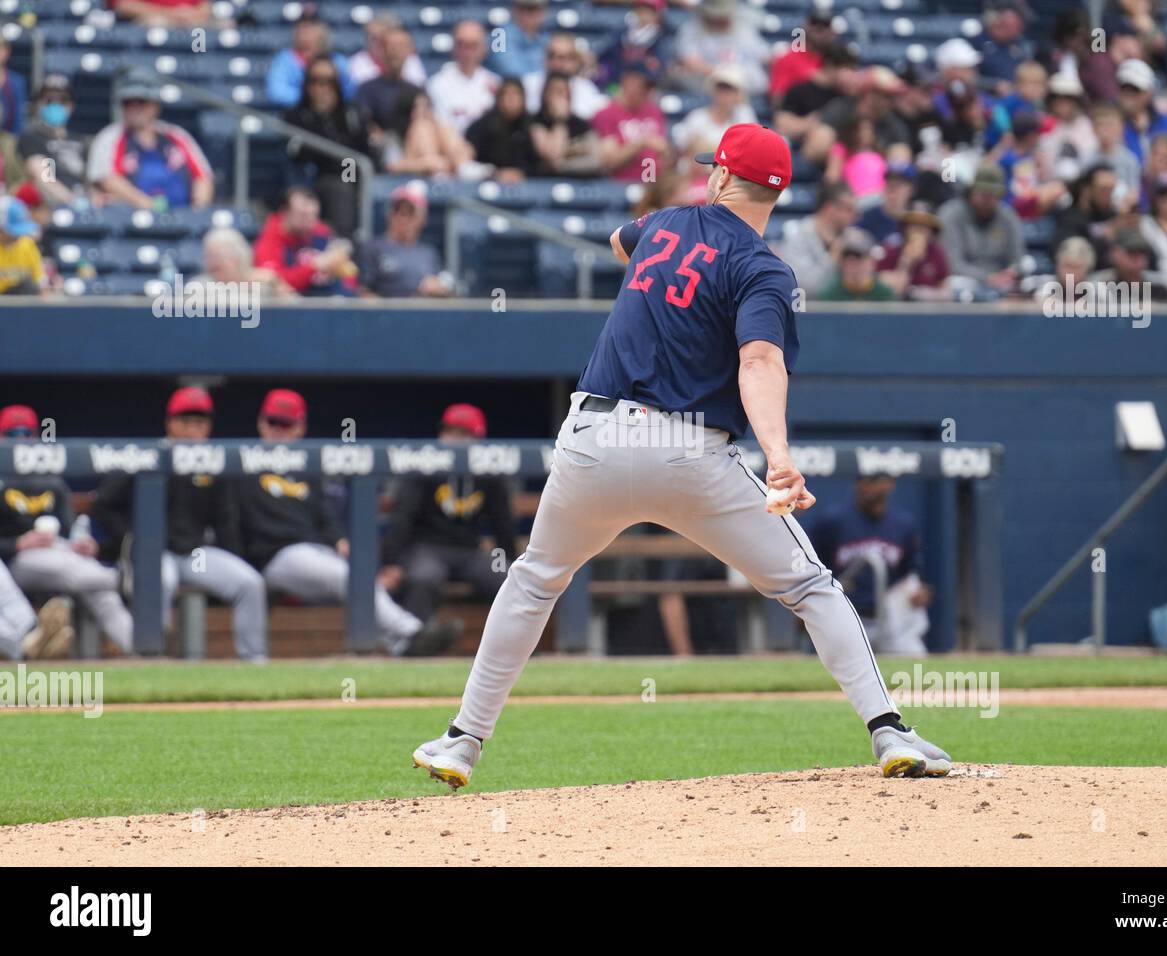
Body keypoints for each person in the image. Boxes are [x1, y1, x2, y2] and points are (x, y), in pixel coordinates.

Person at [411, 123, 952, 789]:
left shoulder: (666, 222)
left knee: (534, 580)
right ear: (776, 196)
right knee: (810, 587)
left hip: (595, 439)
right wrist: (778, 452)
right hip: (689, 452)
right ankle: (888, 731)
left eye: (713, 170)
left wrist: (664, 271)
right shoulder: (763, 270)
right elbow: (759, 360)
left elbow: (621, 243)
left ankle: (461, 741)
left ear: (722, 177)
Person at [225, 390, 439, 657]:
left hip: (313, 553)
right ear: (260, 423)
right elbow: (229, 522)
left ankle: (402, 644)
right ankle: (410, 631)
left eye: (286, 424)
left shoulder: (307, 468)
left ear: (300, 428)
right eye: (273, 423)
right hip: (274, 557)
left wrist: (339, 540)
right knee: (345, 576)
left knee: (355, 574)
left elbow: (325, 517)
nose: (278, 431)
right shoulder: (240, 465)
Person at [91, 388, 270, 662]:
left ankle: (255, 660)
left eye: (199, 423)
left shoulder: (211, 463)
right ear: (170, 423)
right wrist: (130, 539)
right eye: (185, 421)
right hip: (155, 553)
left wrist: (232, 557)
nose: (192, 430)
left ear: (208, 427)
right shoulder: (146, 456)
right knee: (161, 578)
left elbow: (225, 520)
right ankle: (150, 657)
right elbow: (104, 505)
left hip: (194, 555)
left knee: (249, 582)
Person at [0, 405, 134, 656]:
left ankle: (143, 653)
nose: (20, 441)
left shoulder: (51, 480)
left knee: (102, 594)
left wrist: (81, 542)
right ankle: (123, 580)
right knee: (73, 573)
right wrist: (18, 544)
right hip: (14, 561)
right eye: (12, 435)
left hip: (57, 552)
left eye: (25, 434)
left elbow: (71, 529)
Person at [380, 404, 517, 642]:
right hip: (427, 548)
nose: (454, 440)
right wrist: (391, 561)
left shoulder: (489, 472)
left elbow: (502, 523)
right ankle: (413, 642)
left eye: (463, 434)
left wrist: (512, 562)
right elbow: (403, 518)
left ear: (477, 439)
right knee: (424, 577)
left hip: (470, 551)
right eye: (449, 432)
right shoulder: (424, 466)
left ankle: (513, 644)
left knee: (506, 579)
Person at [808, 475, 932, 656]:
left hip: (891, 616)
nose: (866, 487)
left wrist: (921, 591)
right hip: (846, 613)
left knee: (913, 664)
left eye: (874, 481)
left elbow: (910, 572)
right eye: (862, 481)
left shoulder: (903, 524)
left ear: (889, 485)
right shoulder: (833, 521)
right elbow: (812, 567)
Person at [283, 55, 380, 238]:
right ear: (307, 84)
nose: (322, 88)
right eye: (316, 81)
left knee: (349, 177)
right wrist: (320, 118)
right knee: (340, 187)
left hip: (349, 173)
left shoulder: (351, 114)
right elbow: (298, 154)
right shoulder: (297, 115)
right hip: (314, 177)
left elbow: (361, 151)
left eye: (329, 82)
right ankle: (343, 242)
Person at [87, 73, 213, 210]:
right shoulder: (110, 136)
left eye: (141, 102)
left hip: (183, 215)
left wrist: (198, 209)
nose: (135, 108)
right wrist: (145, 203)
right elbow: (106, 179)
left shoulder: (176, 135)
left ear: (155, 105)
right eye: (128, 103)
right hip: (131, 219)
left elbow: (203, 177)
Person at [253, 187, 357, 297]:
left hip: (325, 302)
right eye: (303, 215)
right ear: (285, 212)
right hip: (291, 306)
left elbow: (349, 277)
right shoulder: (269, 240)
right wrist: (315, 266)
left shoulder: (321, 232)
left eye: (314, 215)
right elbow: (275, 283)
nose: (310, 221)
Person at [938, 165, 1024, 292]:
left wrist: (1012, 272)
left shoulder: (1009, 217)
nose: (987, 199)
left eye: (992, 194)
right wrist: (987, 278)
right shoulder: (951, 214)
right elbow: (952, 263)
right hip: (964, 282)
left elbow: (1017, 259)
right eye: (983, 194)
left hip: (1002, 284)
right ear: (971, 191)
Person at [357, 183, 452, 298]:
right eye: (397, 210)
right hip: (386, 313)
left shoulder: (429, 253)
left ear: (422, 219)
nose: (403, 217)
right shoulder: (372, 248)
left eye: (410, 212)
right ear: (389, 215)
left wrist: (437, 289)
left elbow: (443, 290)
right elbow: (363, 292)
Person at [17, 74, 88, 207]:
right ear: (39, 105)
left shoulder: (81, 141)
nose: (56, 105)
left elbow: (90, 178)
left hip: (83, 200)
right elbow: (45, 178)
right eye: (49, 100)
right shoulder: (32, 138)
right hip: (51, 205)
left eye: (62, 100)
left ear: (71, 106)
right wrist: (72, 201)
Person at [775, 180, 857, 296]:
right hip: (808, 311)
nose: (854, 215)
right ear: (829, 208)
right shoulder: (798, 236)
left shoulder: (853, 236)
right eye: (848, 209)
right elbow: (803, 288)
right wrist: (832, 259)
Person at [672, 0, 769, 95]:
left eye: (724, 15)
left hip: (745, 83)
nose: (721, 18)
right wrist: (722, 73)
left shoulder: (744, 28)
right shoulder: (692, 29)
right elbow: (691, 61)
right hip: (709, 83)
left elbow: (764, 56)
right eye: (717, 15)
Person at [591, 65, 670, 182]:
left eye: (649, 87)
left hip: (654, 184)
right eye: (644, 85)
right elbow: (610, 162)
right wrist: (642, 143)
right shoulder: (606, 114)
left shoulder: (655, 111)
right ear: (628, 81)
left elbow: (664, 151)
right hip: (623, 185)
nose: (646, 91)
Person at [670, 65, 758, 160]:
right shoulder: (697, 117)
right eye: (721, 88)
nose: (725, 94)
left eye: (730, 90)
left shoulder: (745, 115)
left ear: (737, 94)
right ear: (714, 91)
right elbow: (681, 149)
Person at [266, 15, 354, 109]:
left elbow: (349, 90)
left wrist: (329, 100)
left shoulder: (338, 61)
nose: (304, 36)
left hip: (334, 114)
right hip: (297, 114)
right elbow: (276, 93)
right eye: (301, 30)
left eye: (309, 30)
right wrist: (312, 98)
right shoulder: (284, 60)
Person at [427, 21, 499, 135]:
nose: (467, 52)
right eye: (461, 44)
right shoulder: (437, 84)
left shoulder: (495, 83)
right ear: (453, 47)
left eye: (473, 45)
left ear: (484, 48)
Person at [383, 88, 471, 178]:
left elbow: (464, 152)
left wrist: (446, 162)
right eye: (417, 108)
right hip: (415, 175)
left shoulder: (439, 128)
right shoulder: (394, 135)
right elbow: (392, 166)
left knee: (442, 126)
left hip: (447, 166)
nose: (423, 112)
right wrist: (427, 164)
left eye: (426, 107)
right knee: (421, 126)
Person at [1116, 58, 1167, 168]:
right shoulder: (1113, 124)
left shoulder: (1165, 123)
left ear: (1148, 93)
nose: (1128, 94)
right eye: (1124, 88)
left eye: (1135, 89)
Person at [529, 75, 602, 177]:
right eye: (556, 92)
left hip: (576, 183)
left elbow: (595, 160)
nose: (560, 97)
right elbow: (552, 155)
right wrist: (560, 121)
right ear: (545, 94)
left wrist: (561, 166)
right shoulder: (535, 121)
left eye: (563, 92)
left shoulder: (581, 124)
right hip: (540, 184)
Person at [876, 202, 952, 300]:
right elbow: (893, 291)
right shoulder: (890, 250)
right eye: (914, 224)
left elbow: (947, 293)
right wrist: (906, 262)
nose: (919, 230)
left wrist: (928, 294)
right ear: (904, 228)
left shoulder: (937, 253)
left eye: (924, 226)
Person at [523, 33, 608, 121]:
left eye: (564, 58)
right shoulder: (528, 84)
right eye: (552, 56)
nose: (557, 63)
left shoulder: (586, 88)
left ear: (576, 61)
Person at [464, 79, 536, 182]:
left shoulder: (533, 126)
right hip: (488, 182)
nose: (511, 99)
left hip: (530, 182)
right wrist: (494, 172)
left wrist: (522, 172)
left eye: (515, 94)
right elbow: (469, 159)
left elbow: (540, 163)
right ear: (498, 98)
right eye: (506, 94)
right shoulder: (482, 126)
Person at [355, 28, 424, 134]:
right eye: (390, 46)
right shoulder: (367, 89)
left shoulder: (417, 91)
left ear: (410, 51)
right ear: (381, 51)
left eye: (400, 46)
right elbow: (365, 124)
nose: (394, 51)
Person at [768, 4, 840, 105]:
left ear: (832, 31)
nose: (820, 29)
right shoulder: (788, 58)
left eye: (825, 25)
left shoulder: (839, 58)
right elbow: (776, 99)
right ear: (806, 27)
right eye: (815, 24)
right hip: (799, 114)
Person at [596, 0, 673, 90]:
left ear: (658, 15)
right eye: (641, 10)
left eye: (650, 11)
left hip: (647, 88)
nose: (644, 15)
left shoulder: (663, 38)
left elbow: (660, 68)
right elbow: (603, 54)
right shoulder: (622, 32)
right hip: (617, 82)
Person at [1088, 227, 1167, 301]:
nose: (1138, 259)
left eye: (1142, 253)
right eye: (1132, 253)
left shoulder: (1158, 288)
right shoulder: (1100, 287)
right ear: (1114, 254)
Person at [350, 14, 427, 91]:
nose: (376, 42)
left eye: (380, 37)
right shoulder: (357, 62)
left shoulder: (410, 59)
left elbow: (418, 85)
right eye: (372, 37)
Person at [817, 228, 894, 301]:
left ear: (871, 261)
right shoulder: (830, 294)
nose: (854, 265)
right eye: (848, 259)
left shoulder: (885, 294)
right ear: (841, 262)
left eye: (860, 257)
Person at [488, 0, 552, 80]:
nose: (529, 14)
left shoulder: (548, 37)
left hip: (539, 88)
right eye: (524, 8)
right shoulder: (500, 34)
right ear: (515, 10)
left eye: (534, 9)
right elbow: (506, 67)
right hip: (506, 88)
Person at [857, 161, 916, 245]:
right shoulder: (868, 218)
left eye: (898, 185)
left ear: (911, 190)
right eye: (889, 184)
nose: (892, 190)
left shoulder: (916, 221)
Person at [0, 197, 44, 296]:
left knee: (27, 287)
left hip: (22, 308)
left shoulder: (27, 245)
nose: (18, 236)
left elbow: (41, 286)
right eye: (13, 231)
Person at [109, 0, 210, 27]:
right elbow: (124, 6)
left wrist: (192, 15)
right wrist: (171, 14)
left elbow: (205, 7)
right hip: (153, 21)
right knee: (156, 22)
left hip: (190, 21)